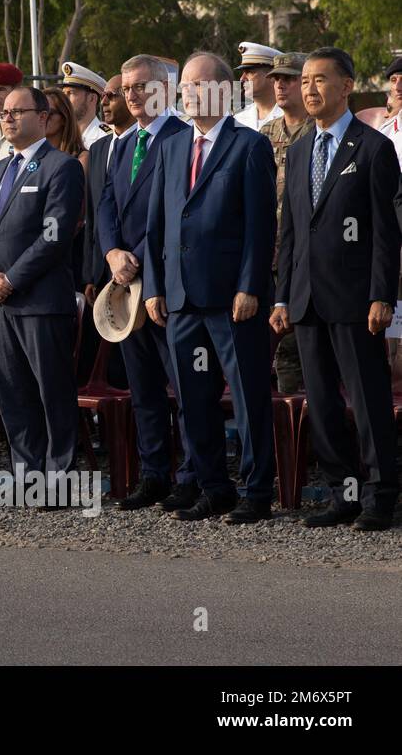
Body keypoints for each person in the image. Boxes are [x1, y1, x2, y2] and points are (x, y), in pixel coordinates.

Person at [143, 51, 277, 523]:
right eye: (185, 87)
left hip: (231, 300)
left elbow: (262, 228)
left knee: (247, 397)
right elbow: (156, 225)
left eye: (200, 85)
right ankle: (213, 487)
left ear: (224, 91)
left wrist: (249, 286)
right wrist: (154, 287)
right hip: (180, 300)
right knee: (193, 402)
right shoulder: (173, 147)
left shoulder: (249, 147)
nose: (189, 93)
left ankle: (258, 492)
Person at [273, 47, 401, 531]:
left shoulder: (372, 148)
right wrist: (283, 295)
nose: (309, 89)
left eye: (319, 80)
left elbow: (387, 232)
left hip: (355, 301)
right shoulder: (301, 147)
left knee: (367, 403)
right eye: (304, 81)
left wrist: (381, 295)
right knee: (323, 405)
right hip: (306, 301)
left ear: (346, 86)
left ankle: (379, 495)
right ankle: (342, 492)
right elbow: (291, 233)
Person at [0, 87, 85, 503]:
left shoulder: (62, 167)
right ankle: (27, 478)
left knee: (51, 392)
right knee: (13, 395)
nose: (8, 118)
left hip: (39, 301)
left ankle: (58, 482)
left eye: (18, 111)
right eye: (4, 113)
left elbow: (54, 237)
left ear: (43, 116)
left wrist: (10, 279)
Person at [97, 54, 191, 510]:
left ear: (165, 89)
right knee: (144, 389)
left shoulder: (183, 138)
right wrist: (114, 253)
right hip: (126, 286)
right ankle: (154, 474)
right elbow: (107, 205)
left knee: (186, 388)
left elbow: (178, 215)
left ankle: (192, 475)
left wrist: (142, 263)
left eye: (141, 86)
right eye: (127, 88)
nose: (131, 94)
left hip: (166, 285)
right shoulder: (122, 142)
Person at [261, 52, 313, 394]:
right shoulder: (265, 134)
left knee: (305, 353)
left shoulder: (321, 129)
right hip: (272, 258)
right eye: (277, 79)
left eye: (290, 78)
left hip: (309, 260)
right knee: (277, 354)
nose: (280, 85)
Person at [83, 73, 135, 303]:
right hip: (102, 272)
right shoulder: (98, 149)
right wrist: (91, 274)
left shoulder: (149, 147)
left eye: (112, 96)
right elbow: (92, 216)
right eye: (103, 96)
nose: (103, 102)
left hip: (134, 267)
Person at [60, 62, 111, 151]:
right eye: (64, 93)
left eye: (71, 93)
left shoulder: (106, 138)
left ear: (92, 98)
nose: (65, 99)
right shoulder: (60, 136)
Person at [233, 41, 283, 130]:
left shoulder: (289, 116)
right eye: (243, 73)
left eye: (250, 72)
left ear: (272, 76)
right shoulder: (239, 119)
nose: (242, 79)